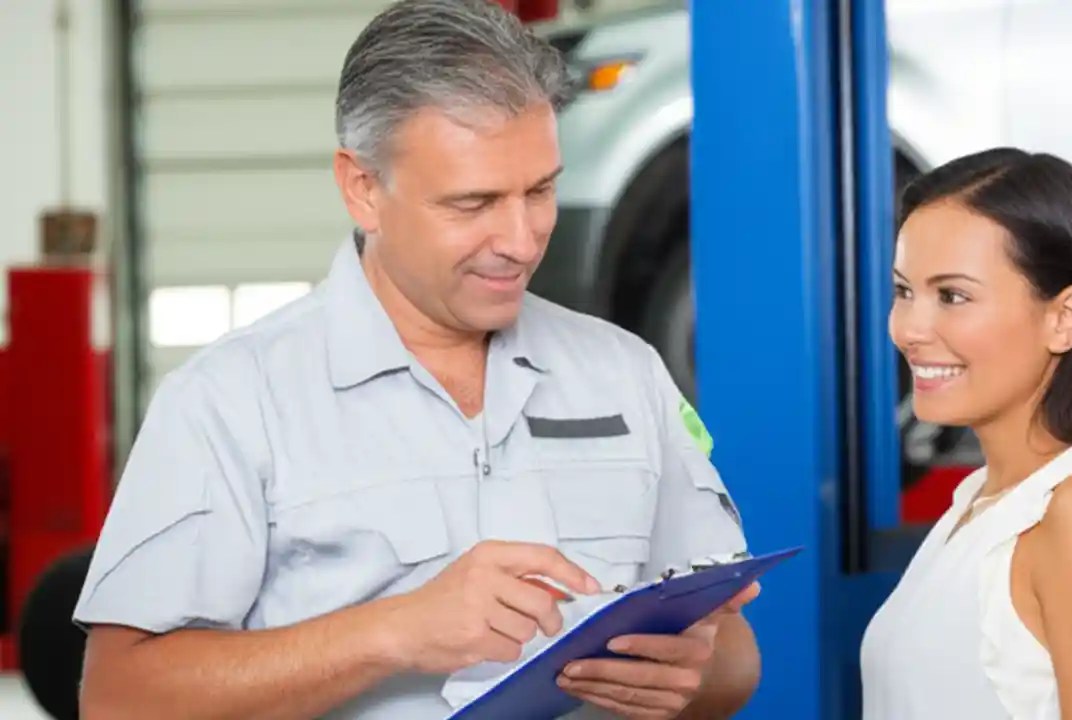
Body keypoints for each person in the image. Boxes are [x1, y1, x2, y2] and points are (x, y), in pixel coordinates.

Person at [72, 1, 760, 718]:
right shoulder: (230, 403)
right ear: (362, 188)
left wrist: (691, 676)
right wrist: (394, 631)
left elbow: (734, 657)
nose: (521, 240)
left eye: (541, 190)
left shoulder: (624, 374)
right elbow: (122, 699)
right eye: (474, 204)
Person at [860, 148, 1072, 719]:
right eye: (904, 291)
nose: (909, 329)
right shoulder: (977, 504)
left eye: (952, 295)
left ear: (1065, 318)